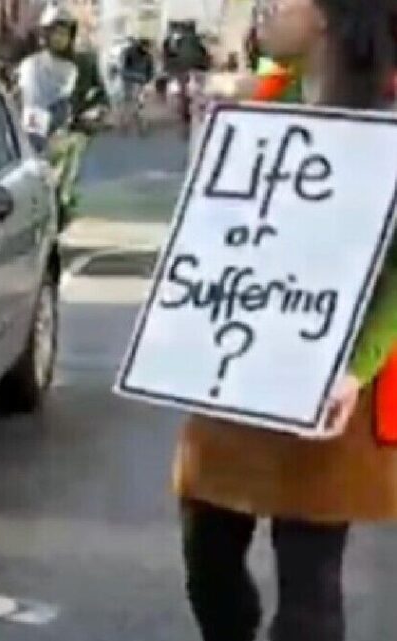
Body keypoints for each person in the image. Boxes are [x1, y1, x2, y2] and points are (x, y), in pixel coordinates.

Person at [174, 2, 397, 640]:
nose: (262, 5)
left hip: (329, 382)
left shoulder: (387, 114)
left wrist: (356, 370)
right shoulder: (263, 97)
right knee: (206, 560)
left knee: (309, 587)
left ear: (330, 15)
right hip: (233, 365)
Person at [16, 4, 101, 226]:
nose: (59, 38)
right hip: (35, 126)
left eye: (64, 33)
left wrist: (91, 112)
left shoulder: (84, 63)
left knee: (67, 169)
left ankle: (63, 202)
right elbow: (21, 91)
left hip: (71, 127)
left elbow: (101, 96)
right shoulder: (31, 63)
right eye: (54, 33)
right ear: (45, 34)